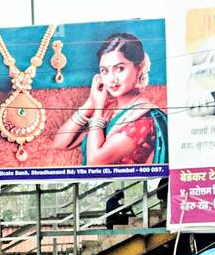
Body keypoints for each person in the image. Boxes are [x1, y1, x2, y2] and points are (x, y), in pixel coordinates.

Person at [53, 32, 168, 167]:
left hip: (125, 185)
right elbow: (60, 143)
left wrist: (98, 109)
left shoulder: (143, 119)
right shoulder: (109, 109)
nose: (112, 79)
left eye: (119, 69)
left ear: (139, 68)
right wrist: (91, 102)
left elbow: (94, 162)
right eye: (105, 71)